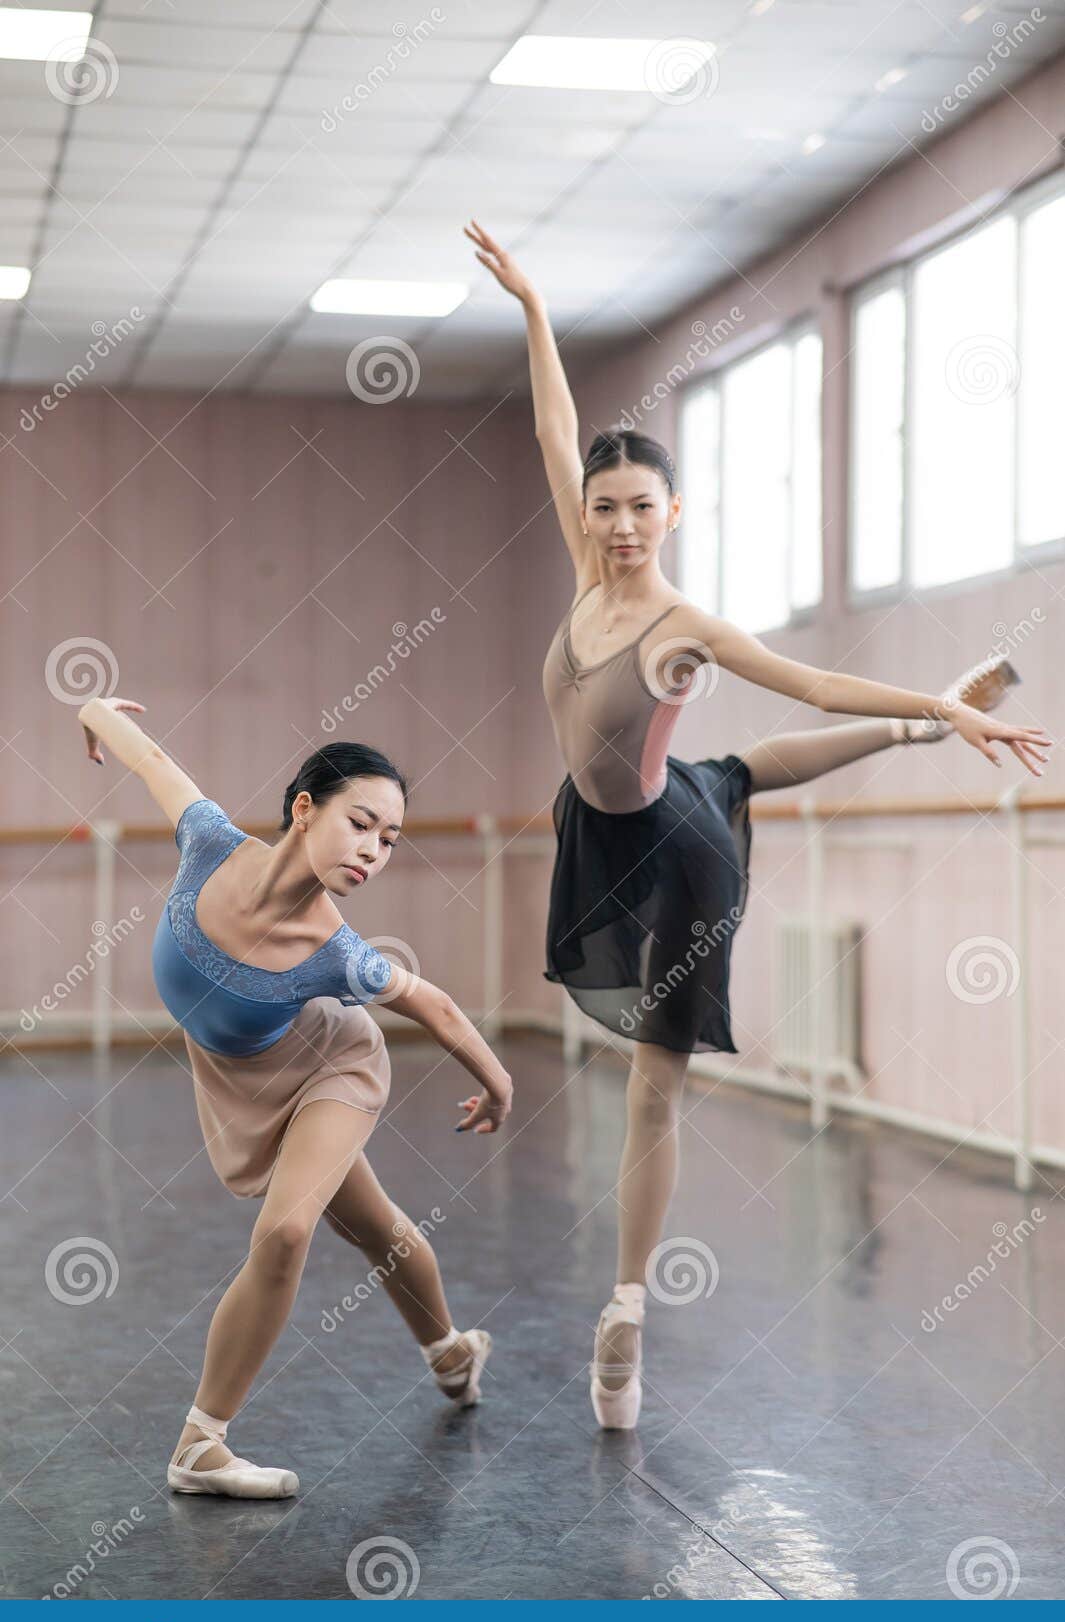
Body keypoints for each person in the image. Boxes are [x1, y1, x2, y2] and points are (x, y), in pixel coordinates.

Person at [465, 217, 1051, 1431]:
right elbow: (552, 429)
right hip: (614, 819)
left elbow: (818, 684)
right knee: (733, 769)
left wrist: (932, 694)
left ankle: (625, 1310)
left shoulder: (687, 623)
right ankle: (930, 728)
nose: (618, 523)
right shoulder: (584, 579)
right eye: (602, 507)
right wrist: (532, 303)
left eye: (639, 508)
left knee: (650, 1085)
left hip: (678, 863)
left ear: (672, 514)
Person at [77, 695, 513, 1496]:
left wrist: (498, 1082)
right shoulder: (208, 842)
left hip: (330, 1069)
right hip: (239, 1078)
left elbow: (434, 1006)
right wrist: (93, 708)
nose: (374, 851)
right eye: (361, 823)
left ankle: (200, 1445)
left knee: (284, 1233)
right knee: (372, 1224)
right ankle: (452, 1351)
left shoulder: (338, 953)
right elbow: (153, 761)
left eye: (390, 839)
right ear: (305, 810)